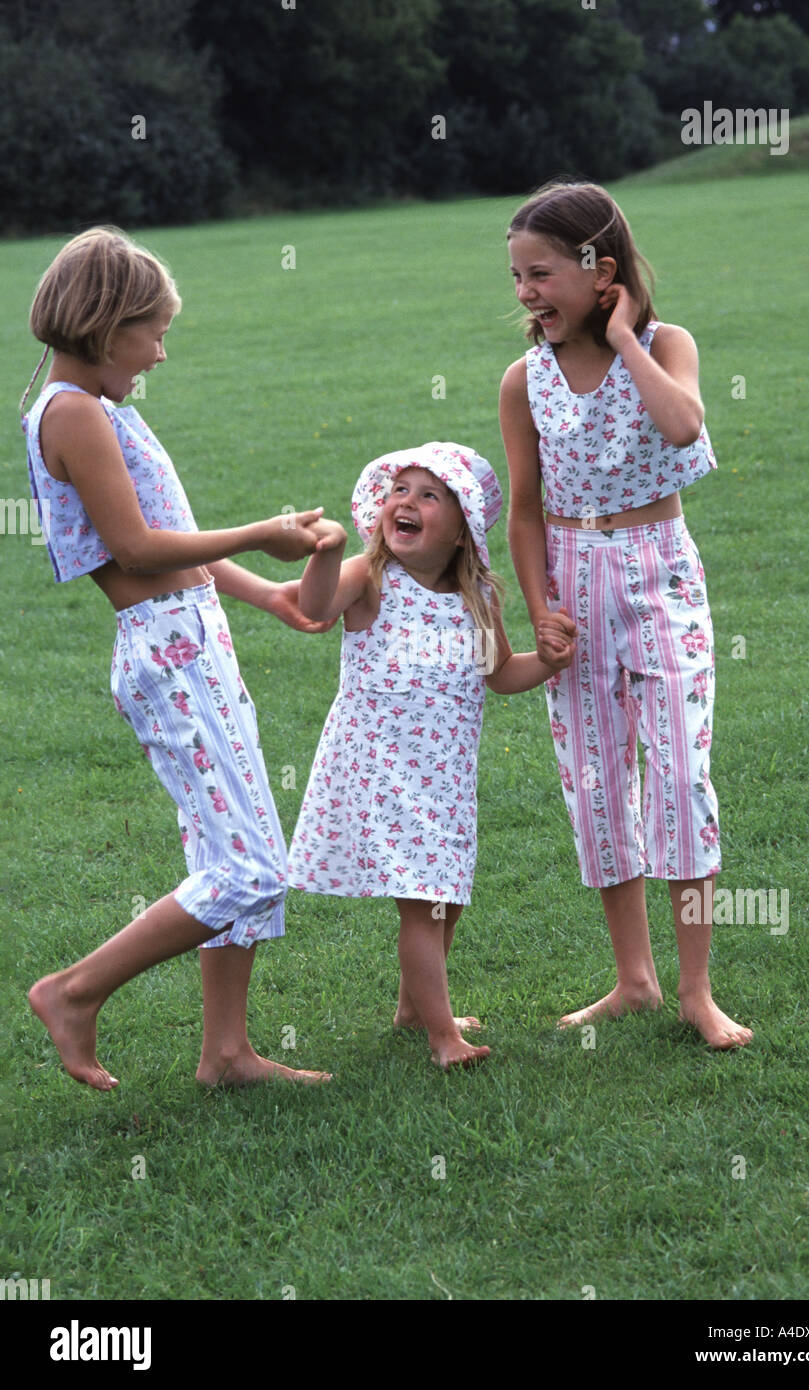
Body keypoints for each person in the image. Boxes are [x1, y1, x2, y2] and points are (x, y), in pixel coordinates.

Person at [21, 226, 338, 1091]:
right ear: (103, 325)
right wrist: (266, 536)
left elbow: (167, 533)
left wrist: (262, 592)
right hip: (169, 653)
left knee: (227, 851)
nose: (159, 352)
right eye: (153, 333)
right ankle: (74, 992)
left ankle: (227, 1054)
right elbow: (135, 543)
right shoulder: (74, 413)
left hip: (193, 635)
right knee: (251, 868)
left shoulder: (101, 408)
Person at [500, 182, 752, 1049]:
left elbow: (682, 427)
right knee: (598, 784)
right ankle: (632, 980)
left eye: (541, 274)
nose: (527, 292)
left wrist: (621, 338)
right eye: (519, 278)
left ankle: (695, 991)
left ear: (599, 269)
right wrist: (538, 607)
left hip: (659, 571)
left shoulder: (663, 344)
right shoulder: (522, 379)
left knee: (680, 775)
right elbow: (523, 510)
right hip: (571, 580)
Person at [287, 442, 573, 1069]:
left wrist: (547, 662)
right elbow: (310, 608)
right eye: (398, 491)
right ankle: (444, 1038)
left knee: (449, 896)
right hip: (383, 769)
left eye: (428, 495)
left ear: (462, 526)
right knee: (425, 902)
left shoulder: (476, 598)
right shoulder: (369, 580)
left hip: (443, 777)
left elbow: (499, 673)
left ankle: (415, 1010)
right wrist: (325, 554)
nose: (405, 503)